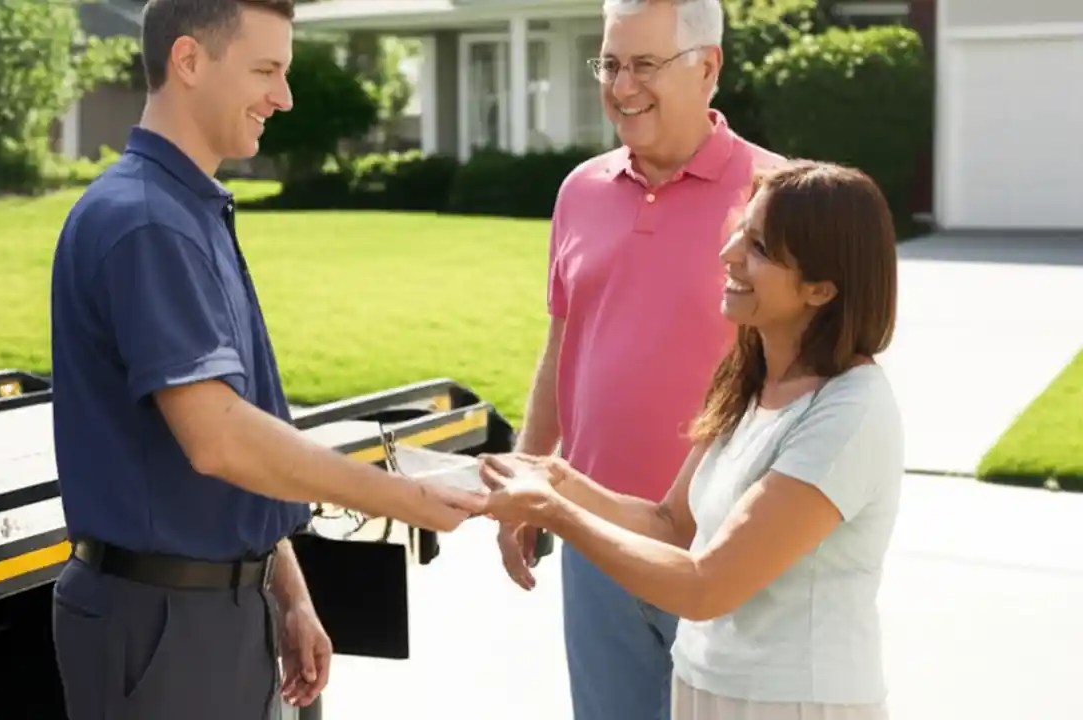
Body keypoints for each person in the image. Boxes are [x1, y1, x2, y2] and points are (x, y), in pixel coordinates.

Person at [47, 1, 485, 718]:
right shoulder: (147, 221)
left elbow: (241, 434)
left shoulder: (187, 209)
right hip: (164, 625)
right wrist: (402, 498)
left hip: (215, 610)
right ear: (190, 61)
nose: (283, 97)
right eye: (266, 69)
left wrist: (286, 590)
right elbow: (218, 438)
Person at [480, 160, 903, 720]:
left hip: (794, 704)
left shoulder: (850, 412)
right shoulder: (750, 378)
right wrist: (562, 481)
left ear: (821, 288)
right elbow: (672, 527)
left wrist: (555, 512)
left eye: (758, 246)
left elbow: (707, 587)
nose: (729, 254)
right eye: (738, 231)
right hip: (706, 688)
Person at [496, 0, 782, 717]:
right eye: (611, 64)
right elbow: (565, 344)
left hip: (724, 550)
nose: (622, 87)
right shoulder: (579, 191)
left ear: (708, 67)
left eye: (645, 65)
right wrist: (529, 477)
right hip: (596, 540)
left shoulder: (777, 198)